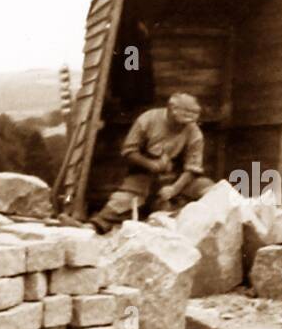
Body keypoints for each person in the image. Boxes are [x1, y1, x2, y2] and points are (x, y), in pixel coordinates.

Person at [88, 93, 215, 233]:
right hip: (142, 176)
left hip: (174, 178)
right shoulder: (148, 119)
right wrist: (150, 164)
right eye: (182, 119)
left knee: (207, 188)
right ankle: (93, 226)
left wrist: (174, 188)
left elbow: (192, 168)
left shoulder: (193, 131)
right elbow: (129, 150)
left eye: (191, 119)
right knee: (122, 203)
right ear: (171, 109)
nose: (185, 124)